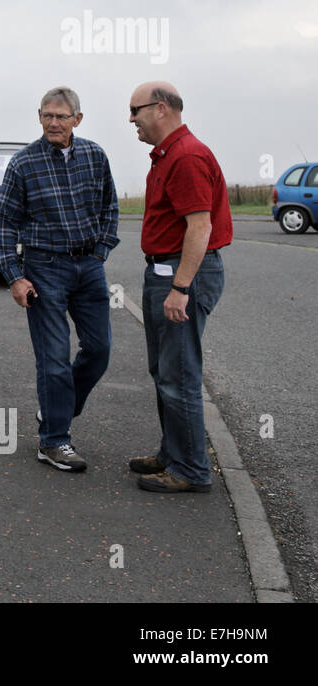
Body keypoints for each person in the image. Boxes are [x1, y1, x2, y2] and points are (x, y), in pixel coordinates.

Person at [0, 87, 120, 473]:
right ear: (39, 116)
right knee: (54, 358)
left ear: (77, 119)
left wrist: (99, 253)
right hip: (44, 268)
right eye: (47, 115)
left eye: (61, 116)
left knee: (99, 350)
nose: (53, 122)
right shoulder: (23, 164)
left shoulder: (95, 156)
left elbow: (109, 209)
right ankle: (54, 441)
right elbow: (3, 228)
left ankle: (55, 410)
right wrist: (15, 278)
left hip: (89, 267)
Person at [128, 81, 231, 493]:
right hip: (166, 272)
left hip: (180, 275)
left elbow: (199, 226)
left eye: (135, 110)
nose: (131, 119)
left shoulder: (186, 157)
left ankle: (190, 469)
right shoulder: (168, 155)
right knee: (165, 370)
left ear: (161, 108)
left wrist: (181, 287)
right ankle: (174, 452)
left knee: (180, 374)